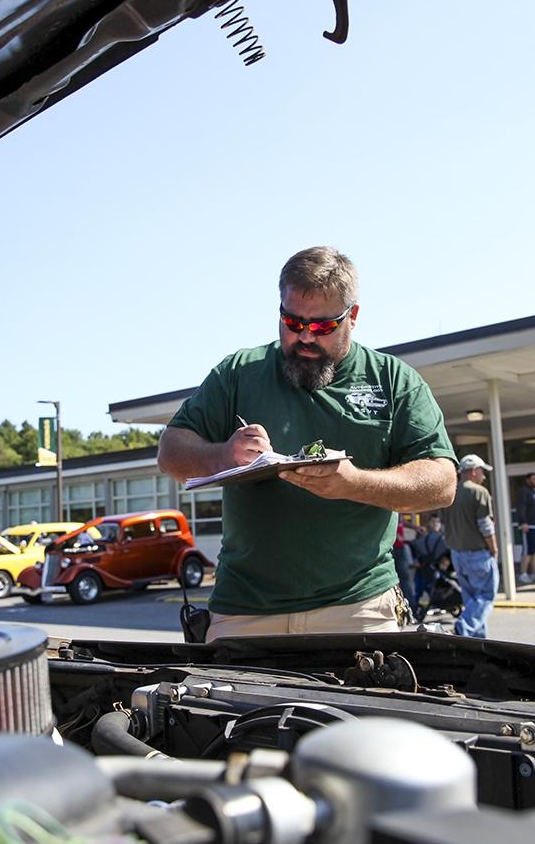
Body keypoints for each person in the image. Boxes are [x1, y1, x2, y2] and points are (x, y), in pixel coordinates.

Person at [157, 246, 457, 639]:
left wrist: (355, 484)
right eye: (291, 321)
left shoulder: (393, 380)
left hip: (358, 606)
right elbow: (170, 452)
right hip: (245, 610)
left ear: (353, 317)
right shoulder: (238, 373)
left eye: (321, 327)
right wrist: (222, 455)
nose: (303, 337)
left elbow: (442, 482)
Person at [443, 454, 500, 638]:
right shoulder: (479, 492)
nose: (483, 476)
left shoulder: (451, 491)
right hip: (478, 553)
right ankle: (464, 627)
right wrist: (494, 548)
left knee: (471, 599)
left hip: (457, 554)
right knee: (485, 595)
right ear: (474, 471)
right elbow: (485, 525)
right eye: (482, 472)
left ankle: (478, 642)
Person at [409, 515, 450, 610]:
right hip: (425, 566)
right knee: (420, 584)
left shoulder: (443, 538)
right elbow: (417, 549)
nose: (435, 524)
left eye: (437, 522)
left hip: (438, 567)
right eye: (433, 521)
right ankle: (417, 605)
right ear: (429, 523)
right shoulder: (423, 536)